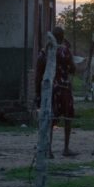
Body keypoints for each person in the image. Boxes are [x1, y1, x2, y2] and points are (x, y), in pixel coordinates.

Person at [35, 26, 77, 157]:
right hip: (64, 88)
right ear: (63, 37)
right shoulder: (65, 51)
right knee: (67, 118)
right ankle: (66, 148)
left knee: (50, 118)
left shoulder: (44, 53)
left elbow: (38, 75)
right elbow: (73, 69)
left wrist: (37, 93)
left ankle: (49, 149)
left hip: (50, 90)